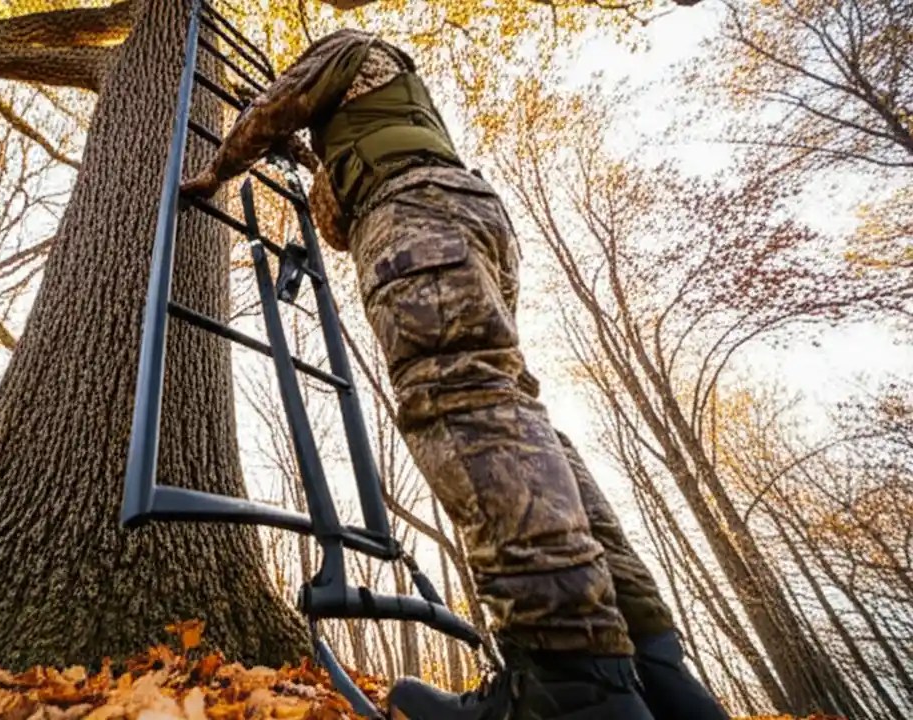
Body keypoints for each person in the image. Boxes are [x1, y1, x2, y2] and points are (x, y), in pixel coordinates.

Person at [181, 29, 729, 720]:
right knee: (515, 416)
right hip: (468, 216)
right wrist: (311, 158)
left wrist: (218, 169)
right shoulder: (386, 98)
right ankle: (655, 670)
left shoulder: (343, 48)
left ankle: (568, 683)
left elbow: (277, 103)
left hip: (413, 213)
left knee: (461, 401)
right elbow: (321, 155)